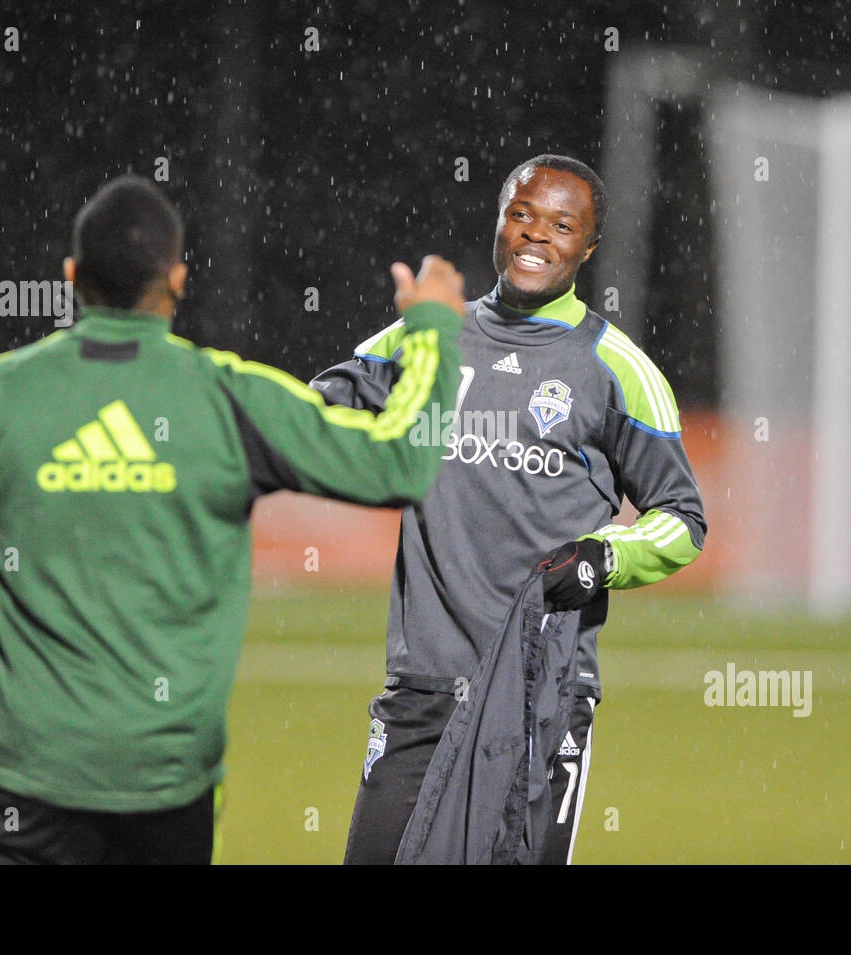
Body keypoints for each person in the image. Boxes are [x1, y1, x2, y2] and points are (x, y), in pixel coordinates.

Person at [0, 175, 464, 864]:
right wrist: (431, 330)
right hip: (167, 795)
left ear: (71, 277)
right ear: (178, 279)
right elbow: (398, 464)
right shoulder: (230, 397)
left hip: (27, 784)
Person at [311, 154, 707, 864]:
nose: (535, 236)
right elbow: (312, 416)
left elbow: (683, 517)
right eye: (521, 215)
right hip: (424, 687)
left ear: (587, 248)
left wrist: (604, 557)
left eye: (562, 225)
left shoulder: (618, 369)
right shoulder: (427, 338)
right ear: (497, 222)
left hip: (540, 698)